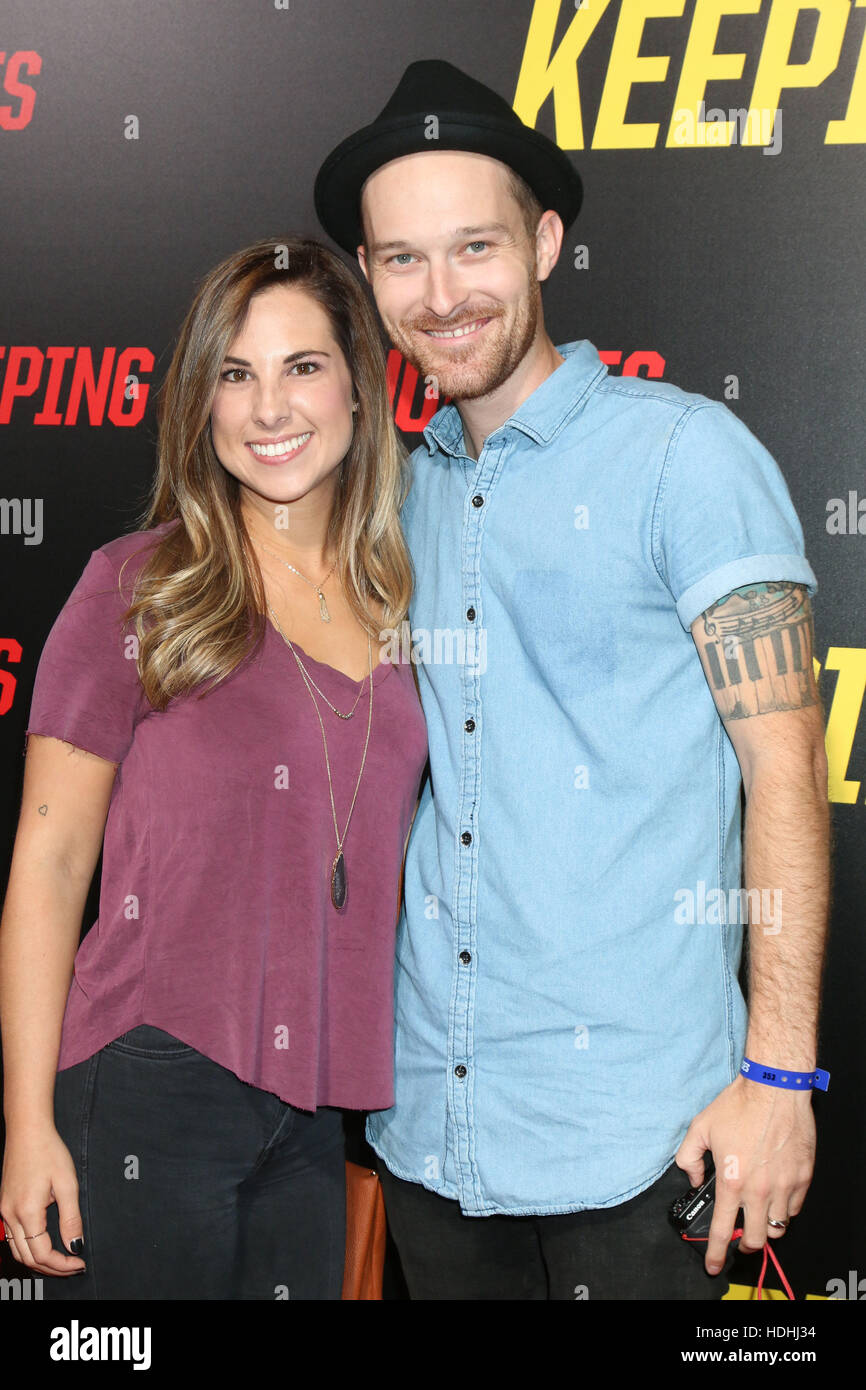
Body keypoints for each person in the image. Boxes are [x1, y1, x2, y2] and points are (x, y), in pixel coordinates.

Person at [313, 61, 831, 1300]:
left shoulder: (685, 457)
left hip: (646, 1144)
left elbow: (785, 776)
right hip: (433, 1140)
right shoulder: (384, 493)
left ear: (543, 243)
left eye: (473, 246)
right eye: (400, 260)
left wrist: (778, 1075)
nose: (440, 297)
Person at [0, 236, 428, 1300]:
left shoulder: (403, 597)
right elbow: (49, 869)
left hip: (320, 1103)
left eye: (302, 366)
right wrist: (26, 1123)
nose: (268, 407)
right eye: (235, 374)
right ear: (200, 400)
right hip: (151, 1079)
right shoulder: (138, 587)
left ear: (361, 389)